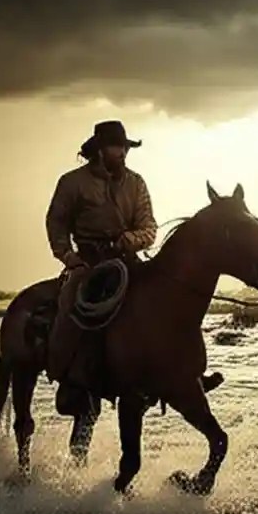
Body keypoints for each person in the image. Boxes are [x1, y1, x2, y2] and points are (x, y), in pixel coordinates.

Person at [43, 120, 158, 416]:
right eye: (115, 147)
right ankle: (66, 375)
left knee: (162, 297)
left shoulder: (136, 183)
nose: (121, 153)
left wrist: (128, 240)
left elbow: (149, 227)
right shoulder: (72, 183)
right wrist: (69, 257)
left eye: (124, 147)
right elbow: (56, 223)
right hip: (88, 262)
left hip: (127, 259)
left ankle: (175, 375)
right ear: (100, 150)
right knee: (71, 302)